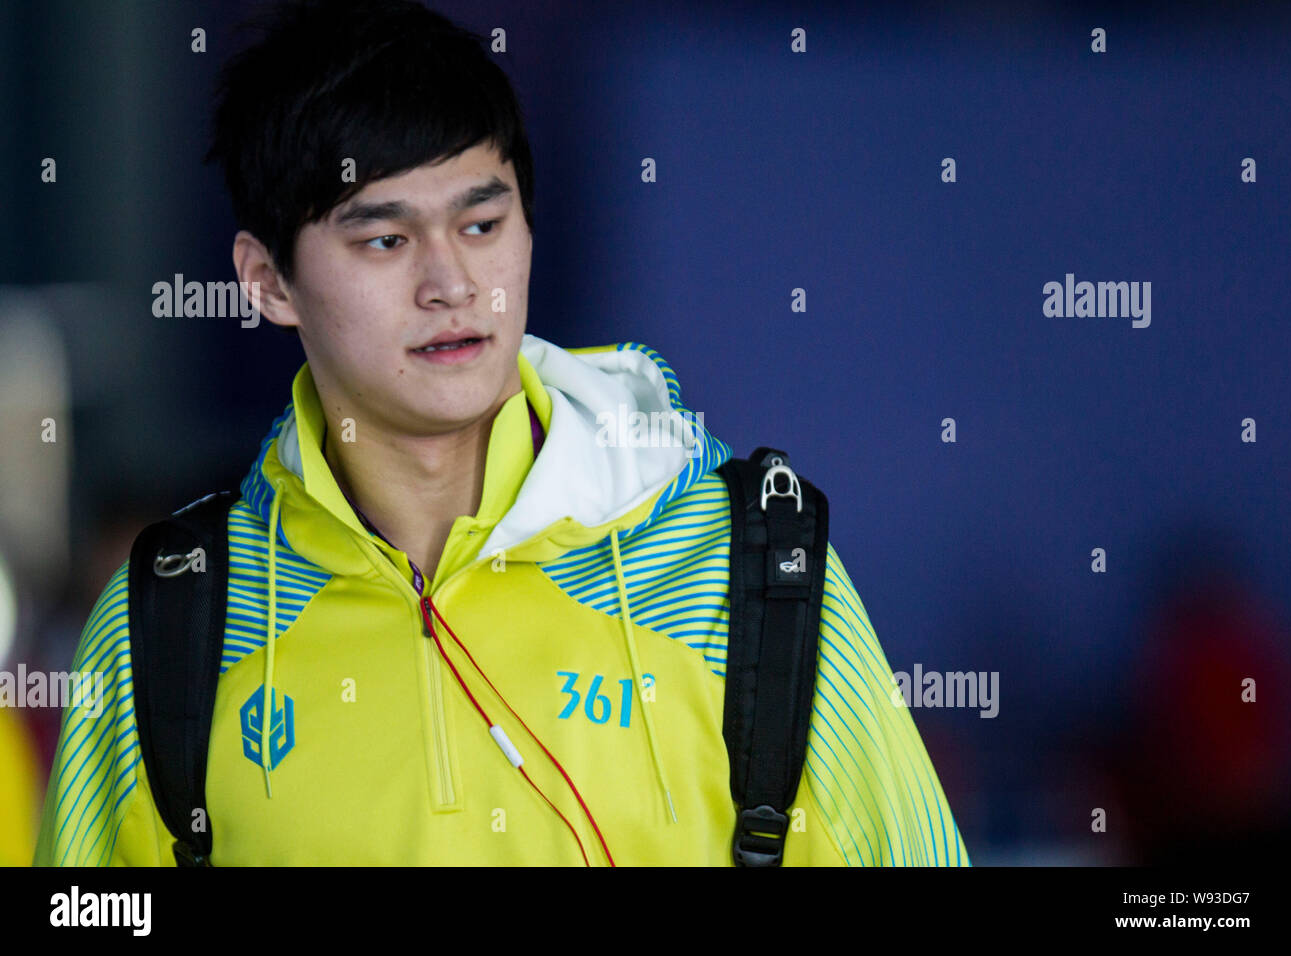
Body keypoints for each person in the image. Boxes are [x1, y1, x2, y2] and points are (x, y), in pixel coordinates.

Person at [33, 0, 967, 866]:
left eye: (482, 222)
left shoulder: (753, 571)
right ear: (267, 281)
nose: (450, 282)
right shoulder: (171, 625)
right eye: (384, 240)